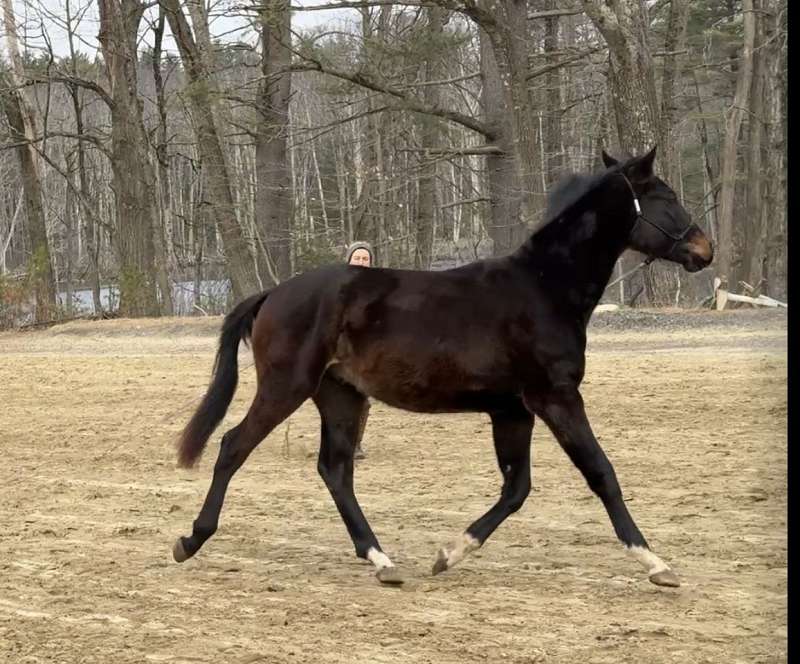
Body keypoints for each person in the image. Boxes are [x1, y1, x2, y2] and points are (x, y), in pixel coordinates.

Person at [344, 241, 375, 459]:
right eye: (357, 258)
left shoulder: (378, 289)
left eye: (365, 259)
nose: (361, 262)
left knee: (362, 401)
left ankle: (355, 445)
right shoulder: (338, 287)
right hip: (336, 351)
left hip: (364, 354)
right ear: (349, 260)